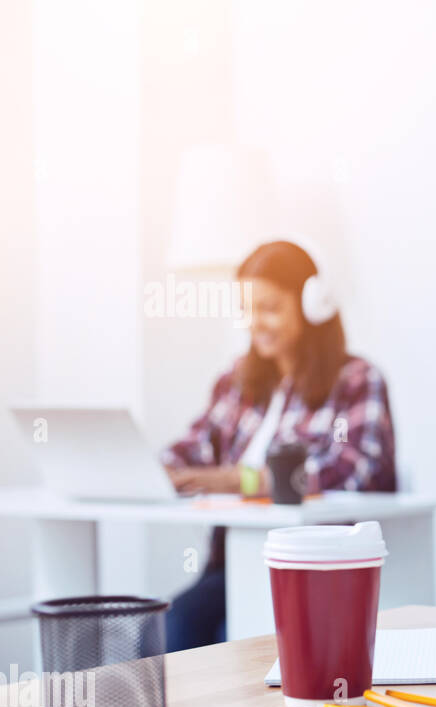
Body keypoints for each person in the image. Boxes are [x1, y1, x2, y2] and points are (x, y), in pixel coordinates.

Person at [160, 240, 397, 652]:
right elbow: (195, 447)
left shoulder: (357, 381)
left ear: (312, 305)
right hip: (233, 561)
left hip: (313, 566)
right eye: (248, 310)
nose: (256, 323)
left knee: (222, 635)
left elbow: (358, 470)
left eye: (270, 308)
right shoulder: (236, 381)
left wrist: (241, 480)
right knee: (175, 622)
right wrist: (156, 471)